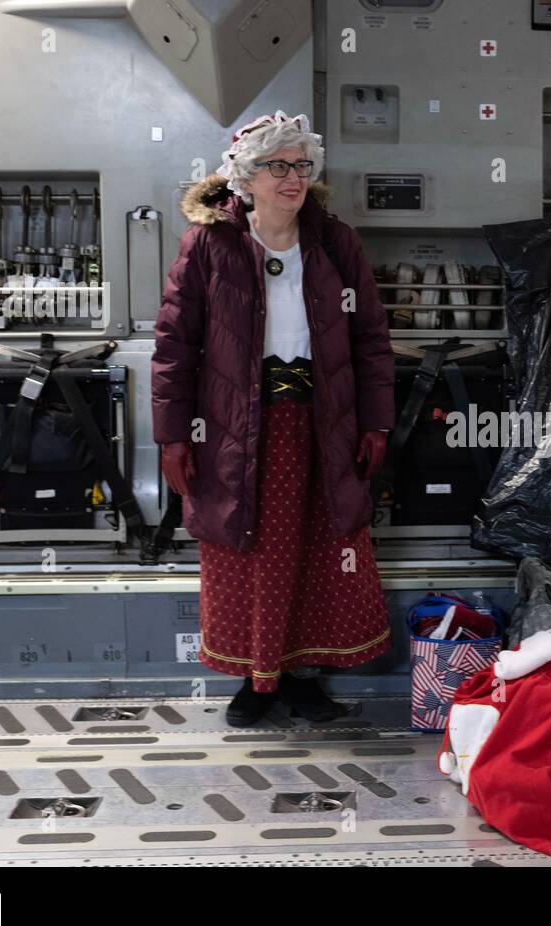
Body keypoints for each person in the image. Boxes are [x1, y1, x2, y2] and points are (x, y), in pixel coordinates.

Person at [152, 110, 395, 727]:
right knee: (251, 549)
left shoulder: (335, 242)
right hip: (239, 429)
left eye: (300, 165)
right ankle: (258, 680)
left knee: (321, 547)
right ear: (244, 176)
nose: (291, 177)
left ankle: (303, 676)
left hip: (323, 424)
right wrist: (174, 437)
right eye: (275, 165)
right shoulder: (209, 245)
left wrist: (375, 423)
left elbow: (369, 338)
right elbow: (175, 345)